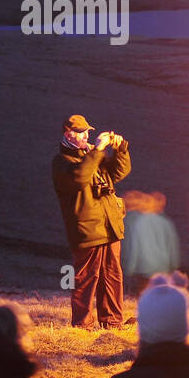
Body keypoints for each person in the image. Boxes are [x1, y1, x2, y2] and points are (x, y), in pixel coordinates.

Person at [51, 114, 131, 330]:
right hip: (87, 228)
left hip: (110, 225)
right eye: (81, 132)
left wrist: (121, 148)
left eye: (88, 131)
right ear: (68, 134)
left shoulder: (91, 157)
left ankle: (113, 321)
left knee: (112, 275)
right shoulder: (61, 162)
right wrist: (96, 151)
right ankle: (83, 324)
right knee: (86, 278)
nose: (86, 135)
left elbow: (119, 172)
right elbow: (80, 178)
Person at [119, 191, 181, 290]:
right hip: (163, 266)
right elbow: (172, 246)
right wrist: (174, 265)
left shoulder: (139, 223)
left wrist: (129, 268)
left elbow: (135, 247)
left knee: (144, 294)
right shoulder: (166, 223)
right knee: (162, 293)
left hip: (145, 267)